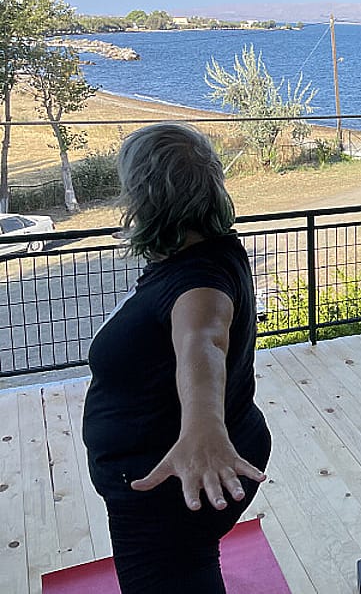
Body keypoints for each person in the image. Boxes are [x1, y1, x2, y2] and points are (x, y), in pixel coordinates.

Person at [82, 123, 272, 593]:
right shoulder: (208, 250)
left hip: (183, 484)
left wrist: (203, 431)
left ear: (145, 198)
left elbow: (202, 340)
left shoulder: (200, 283)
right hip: (189, 474)